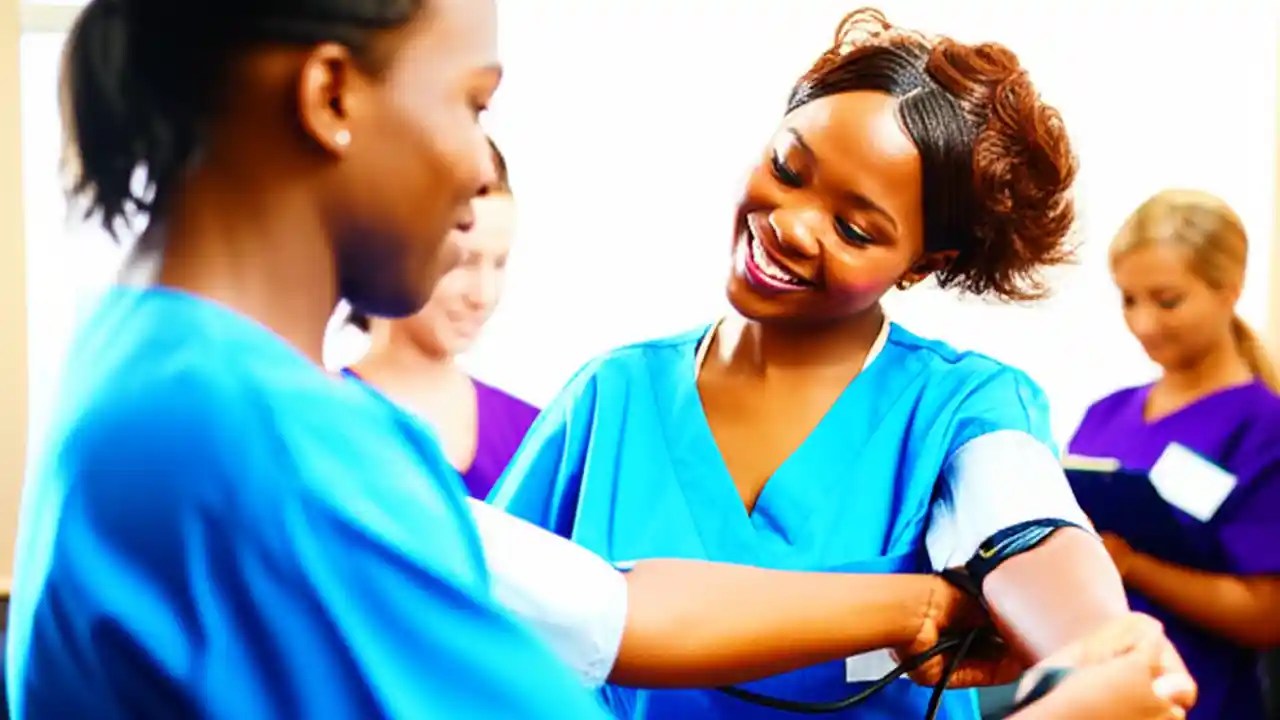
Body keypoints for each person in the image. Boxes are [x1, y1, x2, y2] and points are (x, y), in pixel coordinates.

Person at [1, 1, 1153, 718]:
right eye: (472, 104)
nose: (479, 171)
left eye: (858, 225)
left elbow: (609, 608)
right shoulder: (269, 455)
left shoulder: (157, 377)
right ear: (331, 94)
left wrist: (930, 611)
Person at [489, 8, 1131, 719]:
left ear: (922, 263)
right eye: (787, 169)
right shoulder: (611, 396)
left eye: (853, 229)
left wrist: (1097, 651)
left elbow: (1028, 532)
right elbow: (478, 611)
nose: (790, 225)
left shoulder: (960, 406)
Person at [1067, 189, 1280, 719]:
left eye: (1167, 301)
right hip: (1092, 694)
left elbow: (1267, 615)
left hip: (1199, 702)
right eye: (1129, 300)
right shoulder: (1105, 415)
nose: (1143, 324)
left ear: (1229, 289)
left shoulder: (1261, 427)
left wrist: (1133, 565)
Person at [347, 137, 537, 499]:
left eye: (499, 263)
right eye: (463, 262)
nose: (483, 295)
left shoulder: (534, 439)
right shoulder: (321, 419)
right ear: (393, 248)